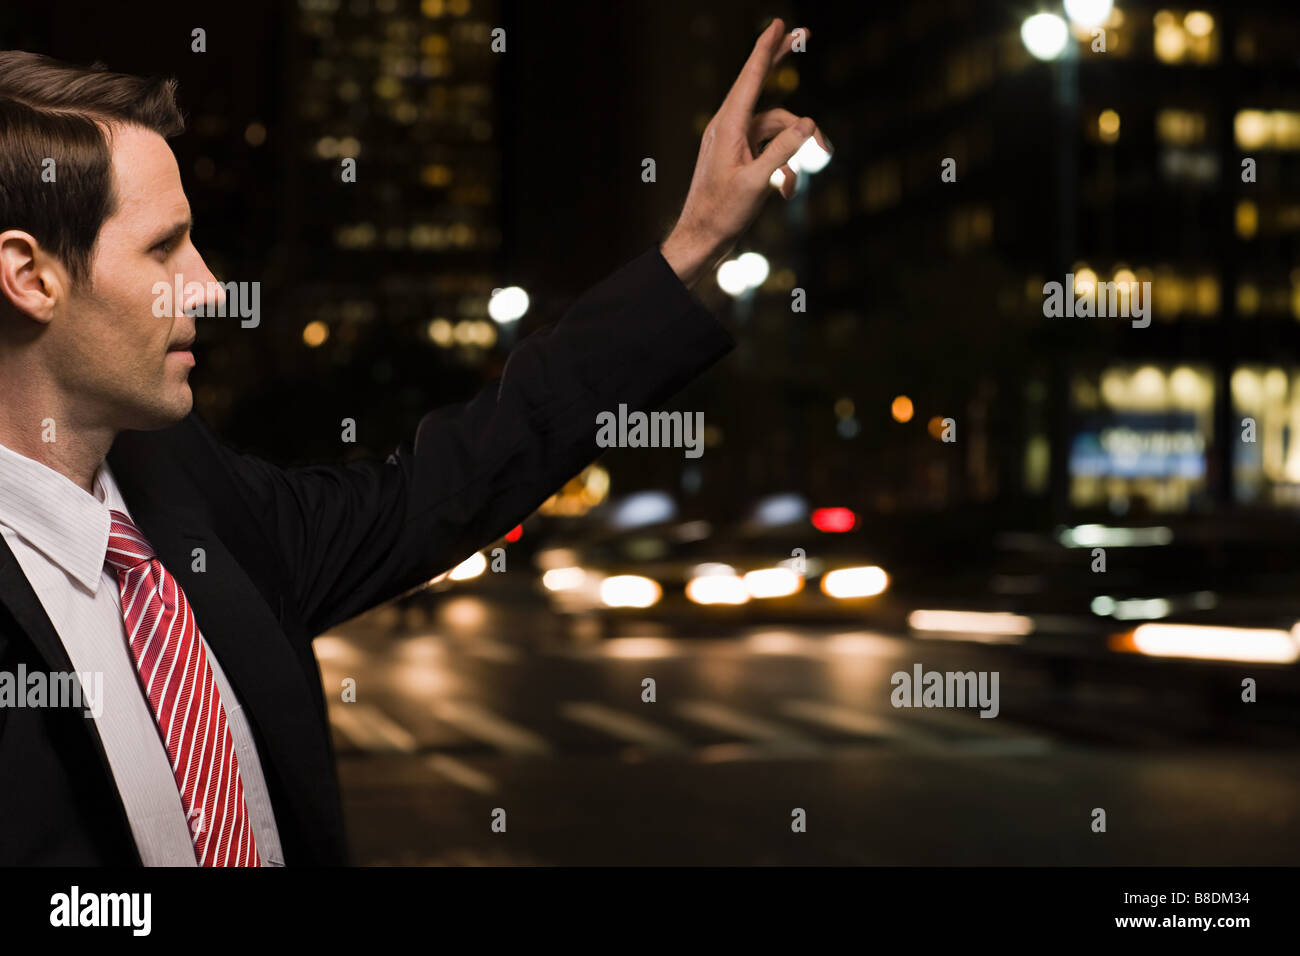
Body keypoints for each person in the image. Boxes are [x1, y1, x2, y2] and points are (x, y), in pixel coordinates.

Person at [0, 19, 827, 865]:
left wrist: (692, 244)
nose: (211, 288)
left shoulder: (188, 495)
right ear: (31, 277)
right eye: (164, 248)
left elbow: (445, 483)